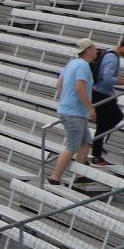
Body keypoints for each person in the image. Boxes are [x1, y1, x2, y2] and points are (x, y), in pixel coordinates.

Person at [51, 39, 99, 187]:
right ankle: (55, 177)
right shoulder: (83, 66)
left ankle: (79, 174)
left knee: (86, 142)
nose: (96, 51)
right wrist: (90, 108)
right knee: (72, 146)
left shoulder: (72, 63)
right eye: (95, 48)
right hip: (74, 113)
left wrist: (67, 98)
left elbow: (58, 85)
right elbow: (80, 88)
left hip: (71, 110)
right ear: (88, 50)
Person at [90, 36, 124, 167]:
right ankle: (96, 154)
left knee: (113, 118)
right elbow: (108, 78)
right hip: (101, 93)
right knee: (106, 122)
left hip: (103, 93)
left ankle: (97, 146)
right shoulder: (112, 58)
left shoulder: (109, 52)